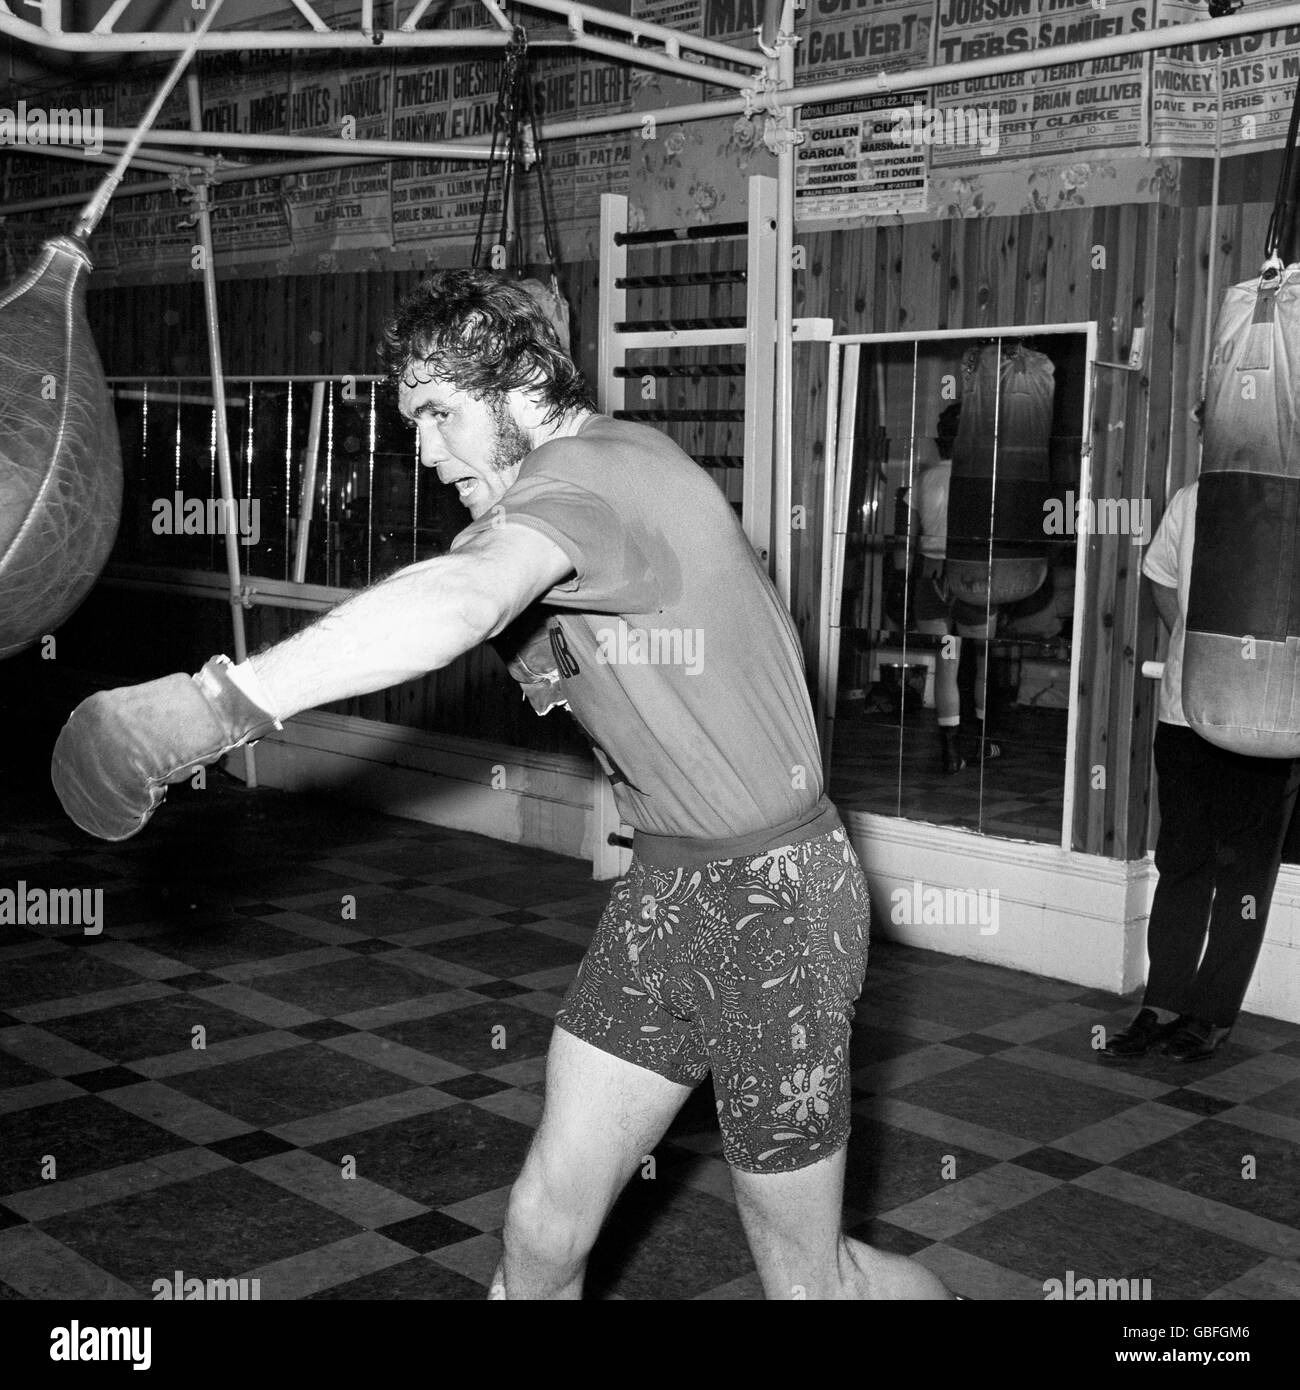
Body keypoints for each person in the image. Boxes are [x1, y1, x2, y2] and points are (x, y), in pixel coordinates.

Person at [51, 269, 953, 1302]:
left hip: (781, 900)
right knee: (542, 1232)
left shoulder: (604, 472)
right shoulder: (542, 507)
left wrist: (222, 702)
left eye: (439, 413)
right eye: (413, 421)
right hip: (665, 895)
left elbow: (465, 598)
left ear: (524, 378)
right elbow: (469, 585)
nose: (424, 451)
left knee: (811, 1284)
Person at [1105, 478, 1300, 1062]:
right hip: (1185, 716)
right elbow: (1161, 575)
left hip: (1267, 728)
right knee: (1181, 861)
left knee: (1243, 876)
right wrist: (1197, 650)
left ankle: (1208, 1015)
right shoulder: (1193, 499)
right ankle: (1160, 1004)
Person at [913, 402, 1002, 774]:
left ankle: (951, 752)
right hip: (972, 576)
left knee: (946, 665)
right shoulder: (983, 481)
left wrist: (902, 582)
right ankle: (981, 744)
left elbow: (908, 533)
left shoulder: (924, 479)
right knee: (981, 662)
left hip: (931, 575)